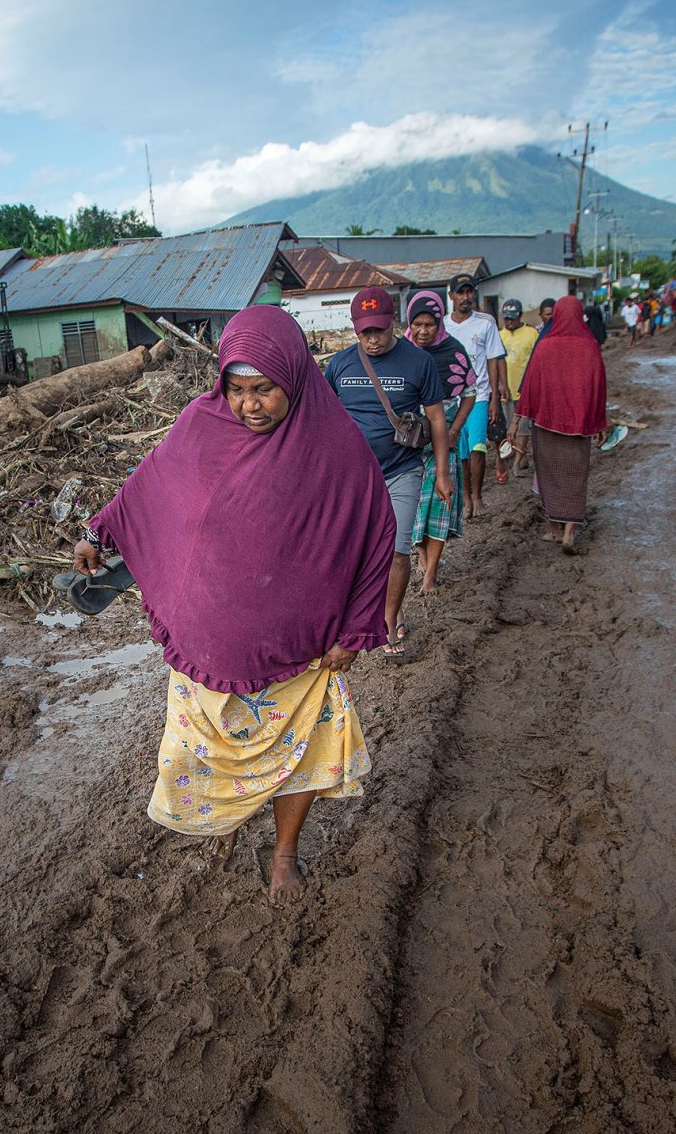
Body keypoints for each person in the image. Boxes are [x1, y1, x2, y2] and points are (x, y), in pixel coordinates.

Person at [72, 304, 394, 902]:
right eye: (238, 389)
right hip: (211, 643)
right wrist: (99, 532)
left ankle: (284, 852)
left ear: (294, 379)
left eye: (265, 391)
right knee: (207, 750)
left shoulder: (337, 448)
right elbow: (151, 484)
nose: (250, 405)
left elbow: (376, 535)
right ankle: (225, 823)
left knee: (304, 754)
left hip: (304, 654)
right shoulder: (202, 423)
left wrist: (356, 627)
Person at [325, 286, 452, 658]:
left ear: (393, 323)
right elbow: (322, 419)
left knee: (397, 551)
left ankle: (388, 619)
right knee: (350, 551)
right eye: (365, 332)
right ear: (354, 329)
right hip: (352, 477)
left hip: (402, 471)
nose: (373, 339)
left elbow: (437, 419)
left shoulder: (418, 362)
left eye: (379, 330)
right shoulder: (340, 365)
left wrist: (442, 472)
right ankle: (349, 617)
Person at [514, 295, 607, 554]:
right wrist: (600, 423)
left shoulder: (545, 347)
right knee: (575, 479)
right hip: (580, 427)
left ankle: (554, 530)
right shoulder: (590, 346)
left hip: (546, 425)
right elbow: (599, 388)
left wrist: (520, 418)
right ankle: (569, 533)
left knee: (549, 477)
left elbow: (530, 387)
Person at [402, 290, 475, 593]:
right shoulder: (401, 352)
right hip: (408, 444)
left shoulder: (453, 351)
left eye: (429, 324)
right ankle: (422, 556)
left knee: (440, 505)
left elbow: (469, 394)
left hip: (444, 443)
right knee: (415, 506)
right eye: (416, 324)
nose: (422, 331)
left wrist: (454, 430)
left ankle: (431, 573)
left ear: (439, 323)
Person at [441, 273, 504, 519]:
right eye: (461, 292)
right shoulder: (443, 326)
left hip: (478, 396)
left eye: (469, 292)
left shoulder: (486, 323)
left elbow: (493, 360)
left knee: (479, 447)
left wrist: (495, 399)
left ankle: (477, 495)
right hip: (452, 399)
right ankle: (465, 496)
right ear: (452, 296)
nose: (466, 297)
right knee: (461, 452)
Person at [495, 299, 540, 483]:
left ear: (520, 316)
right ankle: (520, 457)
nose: (509, 322)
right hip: (505, 391)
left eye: (512, 318)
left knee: (523, 428)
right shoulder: (499, 335)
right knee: (507, 429)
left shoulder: (531, 334)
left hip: (526, 391)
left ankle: (517, 464)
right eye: (506, 319)